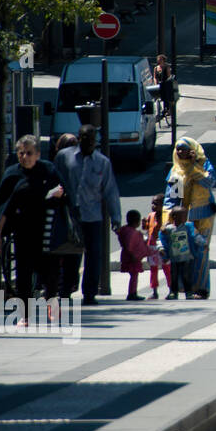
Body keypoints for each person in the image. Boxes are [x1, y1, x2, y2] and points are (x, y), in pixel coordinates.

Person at [0, 136, 63, 325]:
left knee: (50, 272)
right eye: (21, 152)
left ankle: (52, 304)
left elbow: (63, 192)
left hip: (46, 230)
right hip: (22, 230)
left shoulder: (48, 170)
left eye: (29, 153)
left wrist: (58, 194)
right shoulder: (12, 175)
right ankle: (25, 315)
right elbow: (3, 207)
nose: (25, 156)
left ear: (38, 154)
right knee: (23, 273)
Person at [63, 125, 121, 305]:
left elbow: (110, 190)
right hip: (70, 215)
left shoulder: (102, 162)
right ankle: (65, 290)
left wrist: (116, 216)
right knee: (70, 255)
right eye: (84, 137)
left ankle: (89, 292)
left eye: (92, 138)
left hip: (92, 215)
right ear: (79, 138)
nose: (88, 141)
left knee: (94, 255)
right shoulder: (65, 157)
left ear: (96, 140)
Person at [164, 137, 216, 299]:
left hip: (203, 216)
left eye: (184, 149)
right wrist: (167, 221)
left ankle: (201, 289)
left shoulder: (204, 164)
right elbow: (171, 199)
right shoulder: (176, 171)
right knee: (182, 253)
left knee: (201, 251)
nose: (180, 152)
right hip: (182, 219)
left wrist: (194, 166)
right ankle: (183, 288)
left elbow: (209, 182)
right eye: (178, 149)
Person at [48, 133, 85, 303]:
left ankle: (65, 288)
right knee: (58, 255)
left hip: (71, 215)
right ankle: (58, 288)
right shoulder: (52, 167)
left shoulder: (77, 163)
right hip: (58, 216)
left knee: (71, 252)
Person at [159, 206, 206, 300]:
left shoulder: (188, 227)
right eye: (182, 216)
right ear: (174, 216)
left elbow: (195, 236)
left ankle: (189, 293)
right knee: (174, 276)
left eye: (185, 216)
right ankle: (173, 292)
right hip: (174, 258)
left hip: (186, 257)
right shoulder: (169, 229)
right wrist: (161, 249)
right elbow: (162, 238)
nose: (184, 218)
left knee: (187, 276)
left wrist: (203, 243)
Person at [117, 209, 158, 302]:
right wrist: (133, 254)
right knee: (134, 276)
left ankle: (133, 292)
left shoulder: (124, 230)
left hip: (126, 256)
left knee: (133, 276)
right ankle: (132, 293)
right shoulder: (133, 233)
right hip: (132, 258)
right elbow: (130, 245)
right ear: (137, 221)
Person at [142, 194, 169, 300]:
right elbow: (147, 228)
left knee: (167, 269)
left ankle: (171, 290)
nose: (153, 206)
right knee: (153, 270)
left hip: (162, 247)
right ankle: (154, 291)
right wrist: (144, 224)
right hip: (152, 247)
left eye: (156, 204)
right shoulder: (151, 215)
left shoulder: (166, 216)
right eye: (152, 203)